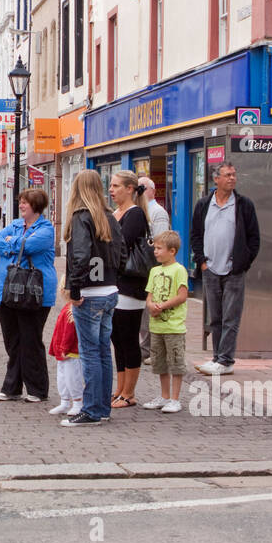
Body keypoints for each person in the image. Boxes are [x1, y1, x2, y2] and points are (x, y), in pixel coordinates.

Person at [60, 169, 125, 426]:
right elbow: (122, 255)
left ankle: (91, 410)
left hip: (88, 294)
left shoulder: (80, 217)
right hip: (109, 291)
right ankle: (101, 408)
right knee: (103, 352)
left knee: (89, 353)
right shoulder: (110, 218)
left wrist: (74, 289)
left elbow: (80, 255)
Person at [190, 162, 260, 375]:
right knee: (216, 317)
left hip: (233, 271)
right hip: (210, 269)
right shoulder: (203, 205)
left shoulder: (243, 205)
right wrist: (202, 262)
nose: (232, 178)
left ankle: (226, 359)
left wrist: (242, 264)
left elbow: (254, 238)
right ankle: (217, 357)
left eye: (234, 174)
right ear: (216, 179)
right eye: (227, 175)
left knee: (231, 316)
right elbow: (195, 235)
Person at [0, 188, 56, 403]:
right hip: (7, 290)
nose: (21, 205)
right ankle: (12, 388)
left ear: (35, 205)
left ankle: (37, 388)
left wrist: (11, 244)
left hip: (34, 292)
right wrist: (15, 244)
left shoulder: (46, 229)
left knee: (30, 340)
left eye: (25, 202)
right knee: (13, 341)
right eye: (20, 202)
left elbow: (31, 245)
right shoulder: (16, 225)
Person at [109, 170, 149, 409]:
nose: (112, 190)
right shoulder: (115, 213)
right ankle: (120, 388)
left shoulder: (135, 215)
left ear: (130, 189)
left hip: (130, 284)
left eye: (116, 186)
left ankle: (129, 393)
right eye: (111, 186)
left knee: (128, 338)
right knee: (117, 338)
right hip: (115, 283)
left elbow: (121, 246)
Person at [143, 231, 188, 413]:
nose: (155, 252)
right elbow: (149, 295)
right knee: (159, 363)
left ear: (172, 251)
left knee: (176, 362)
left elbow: (182, 295)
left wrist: (162, 306)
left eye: (159, 248)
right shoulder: (154, 271)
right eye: (155, 248)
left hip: (174, 326)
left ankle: (175, 398)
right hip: (156, 326)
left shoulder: (179, 270)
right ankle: (164, 395)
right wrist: (151, 305)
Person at [136, 175, 172, 362]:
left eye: (143, 187)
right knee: (143, 308)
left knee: (151, 307)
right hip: (143, 266)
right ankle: (145, 347)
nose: (140, 190)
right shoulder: (138, 210)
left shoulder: (157, 212)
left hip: (153, 266)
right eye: (138, 187)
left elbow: (160, 239)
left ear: (153, 191)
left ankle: (151, 349)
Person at [47, 286, 83, 417]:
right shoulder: (67, 307)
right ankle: (65, 401)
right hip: (63, 350)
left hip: (70, 351)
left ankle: (77, 402)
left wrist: (64, 348)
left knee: (73, 377)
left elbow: (69, 333)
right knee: (62, 377)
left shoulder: (72, 310)